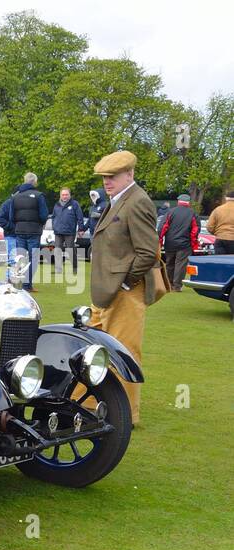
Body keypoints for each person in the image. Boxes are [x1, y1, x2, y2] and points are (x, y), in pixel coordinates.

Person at [89, 150, 162, 427]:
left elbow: (148, 253)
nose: (107, 182)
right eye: (105, 177)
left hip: (125, 293)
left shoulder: (137, 201)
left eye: (113, 176)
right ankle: (89, 403)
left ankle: (126, 415)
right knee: (94, 348)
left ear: (129, 174)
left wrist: (125, 282)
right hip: (107, 291)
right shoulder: (118, 200)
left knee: (124, 352)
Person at [6, 172, 50, 292]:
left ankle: (18, 283)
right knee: (33, 258)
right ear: (34, 182)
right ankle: (27, 285)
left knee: (20, 258)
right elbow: (44, 215)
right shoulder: (39, 196)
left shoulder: (15, 197)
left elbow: (11, 217)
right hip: (34, 232)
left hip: (19, 231)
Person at [158, 194, 199, 291]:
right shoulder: (192, 213)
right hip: (185, 244)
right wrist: (194, 244)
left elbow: (162, 227)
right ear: (188, 202)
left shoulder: (170, 212)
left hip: (170, 243)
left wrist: (160, 241)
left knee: (169, 264)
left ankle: (168, 284)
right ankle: (177, 286)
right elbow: (195, 230)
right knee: (180, 265)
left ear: (178, 201)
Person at [50, 187, 83, 276]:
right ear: (60, 195)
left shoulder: (75, 204)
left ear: (70, 195)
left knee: (70, 250)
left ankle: (75, 268)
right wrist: (54, 226)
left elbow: (80, 217)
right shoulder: (56, 204)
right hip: (58, 231)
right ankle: (58, 270)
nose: (64, 196)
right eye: (63, 195)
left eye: (66, 194)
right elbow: (53, 217)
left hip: (69, 232)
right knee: (57, 250)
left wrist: (81, 229)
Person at [208, 190, 234, 254]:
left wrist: (219, 233)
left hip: (220, 239)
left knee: (220, 261)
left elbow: (209, 227)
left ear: (226, 198)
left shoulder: (218, 209)